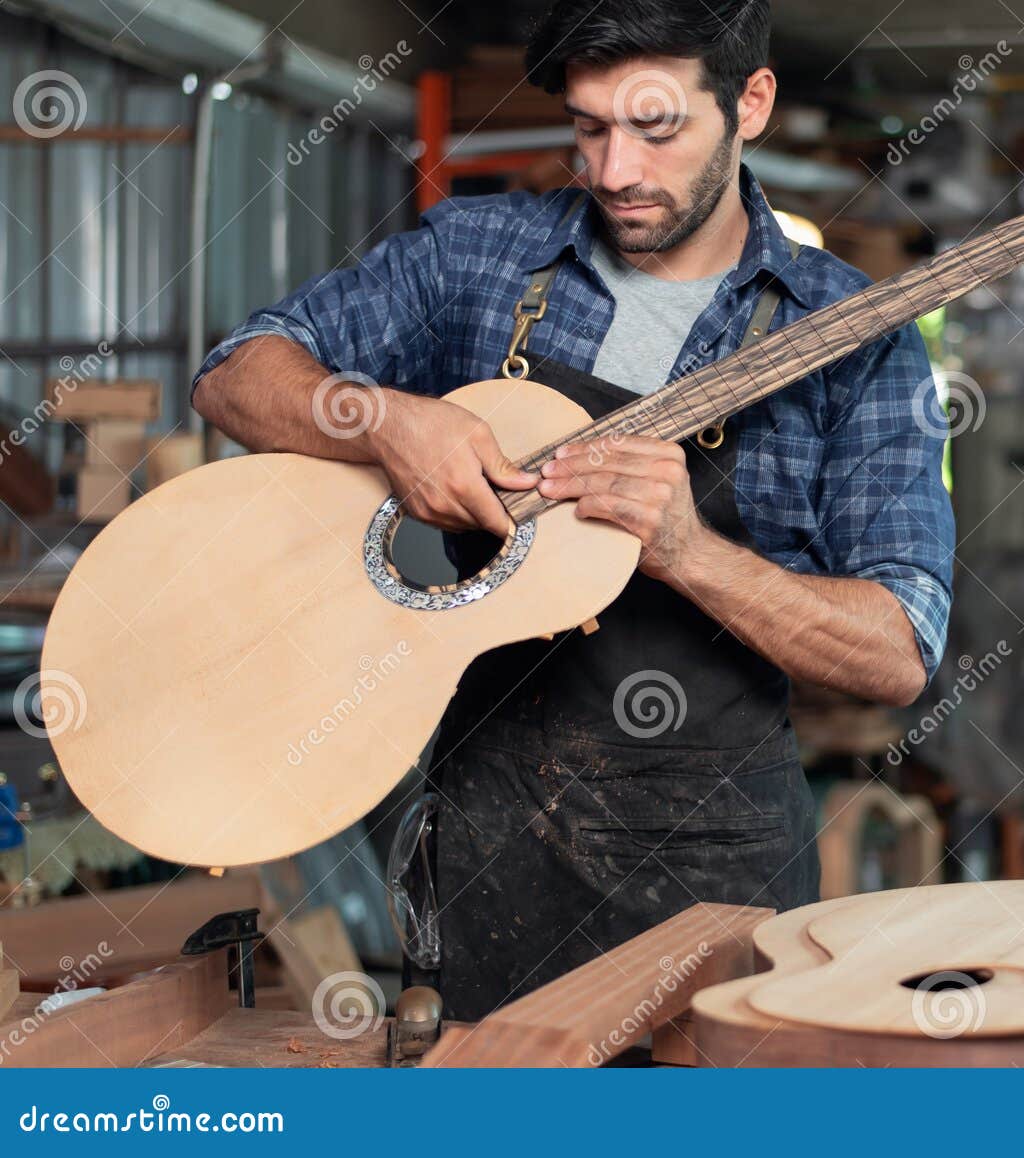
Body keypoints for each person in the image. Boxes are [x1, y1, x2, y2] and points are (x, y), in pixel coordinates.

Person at [192, 0, 954, 1021]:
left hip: (713, 869)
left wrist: (690, 552)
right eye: (589, 129)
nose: (617, 171)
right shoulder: (476, 259)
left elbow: (899, 650)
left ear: (751, 103)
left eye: (657, 129)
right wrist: (382, 422)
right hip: (485, 840)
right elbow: (233, 376)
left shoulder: (851, 338)